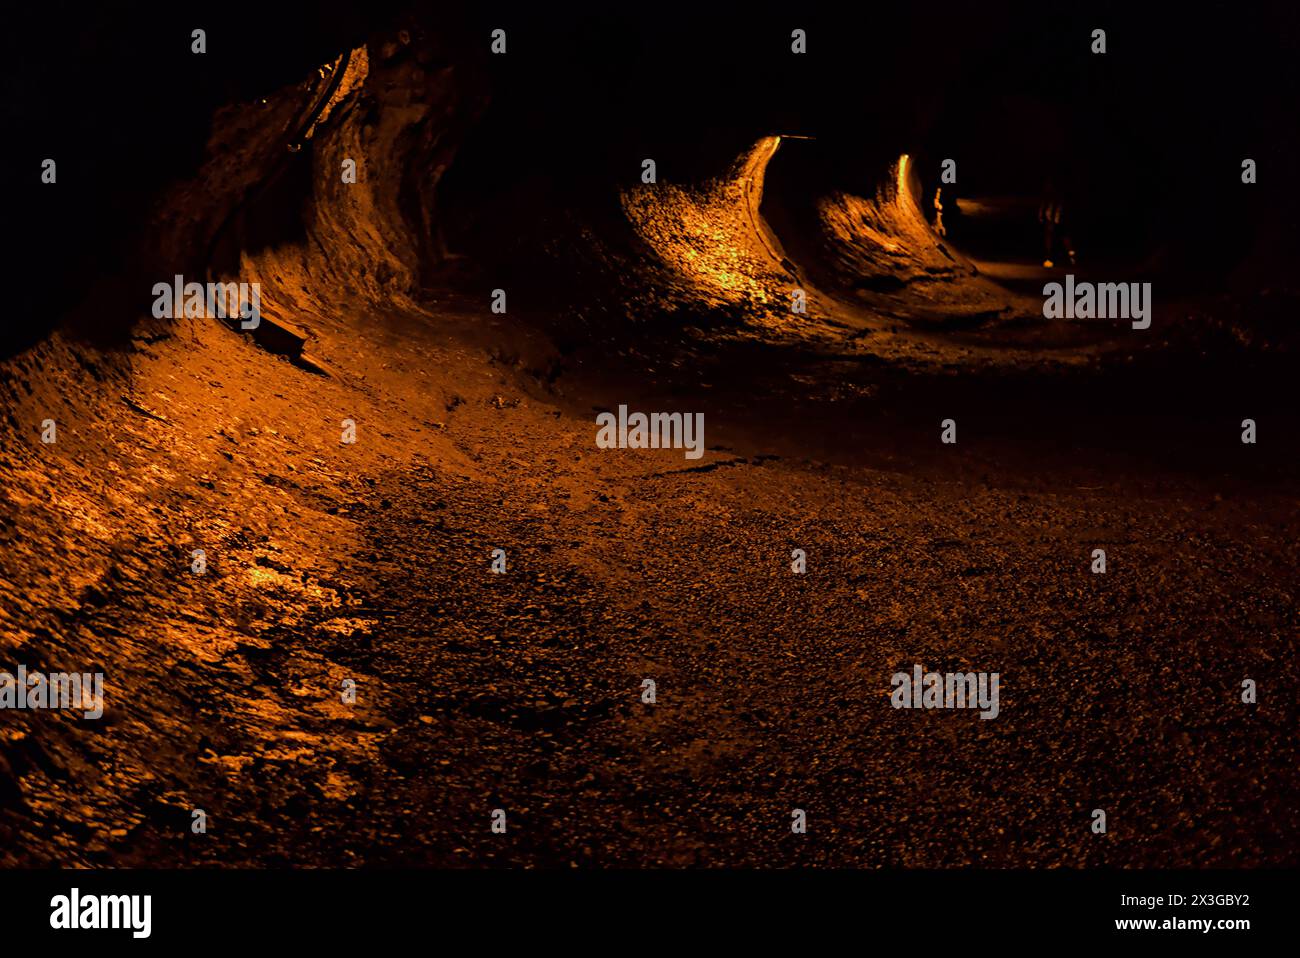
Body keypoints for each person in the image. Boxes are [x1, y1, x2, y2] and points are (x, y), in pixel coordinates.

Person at [1037, 181, 1076, 268]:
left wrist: (1055, 220)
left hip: (1057, 221)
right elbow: (1044, 208)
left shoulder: (1058, 198)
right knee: (1051, 240)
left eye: (1049, 186)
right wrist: (1042, 216)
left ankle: (1071, 257)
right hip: (1052, 221)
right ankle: (1051, 259)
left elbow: (1058, 209)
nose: (1047, 187)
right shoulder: (1047, 197)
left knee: (1063, 239)